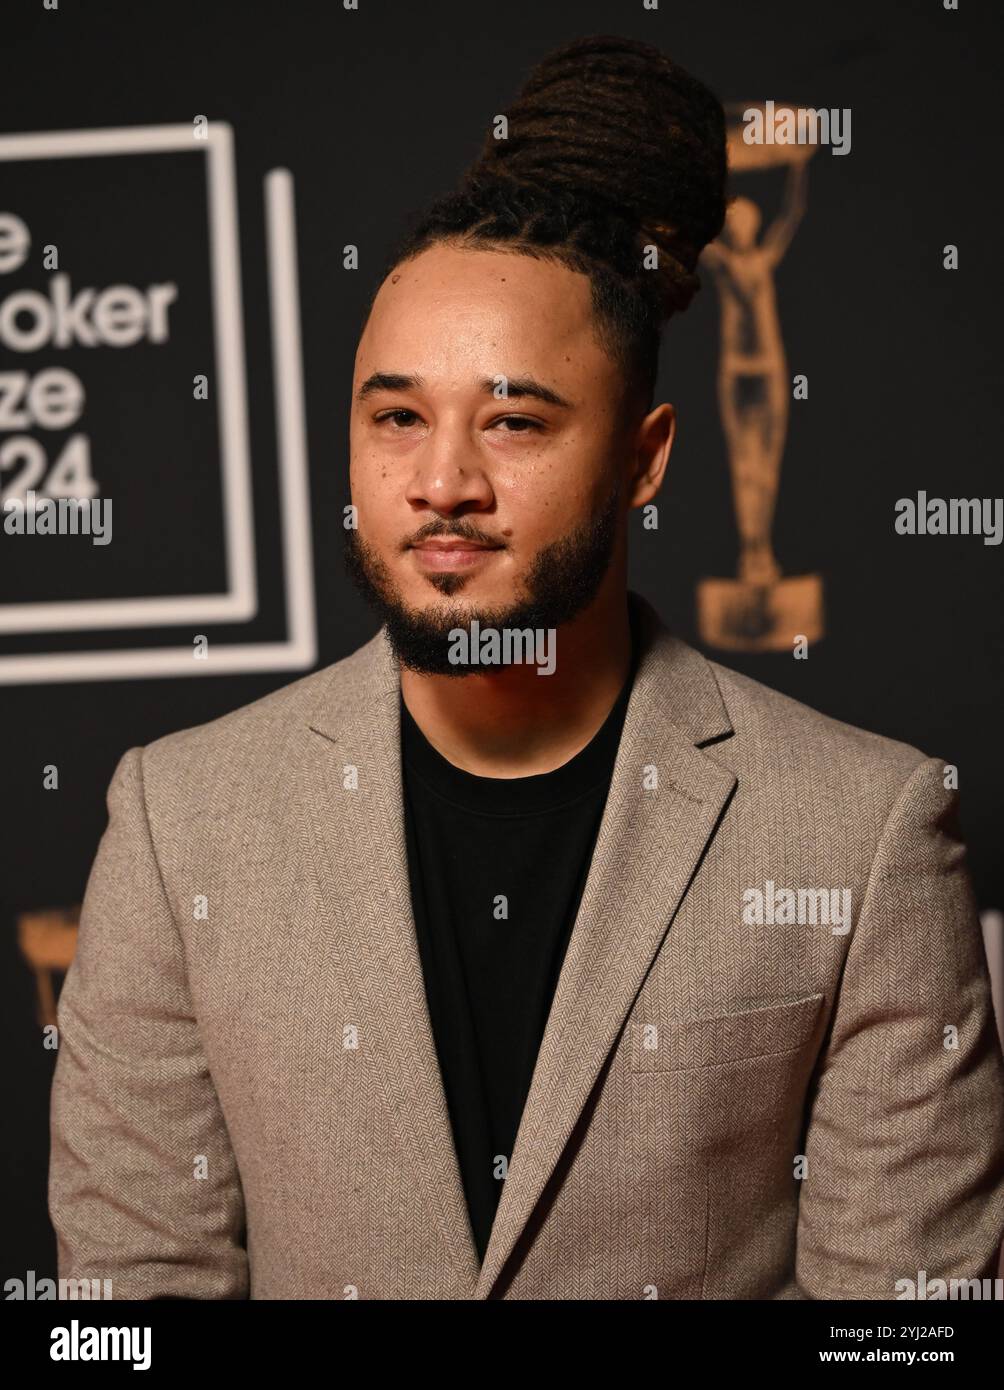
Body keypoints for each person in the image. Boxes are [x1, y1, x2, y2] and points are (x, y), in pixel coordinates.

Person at [49, 34, 1004, 1300]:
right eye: (395, 418)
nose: (442, 484)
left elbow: (906, 1326)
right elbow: (127, 1309)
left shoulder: (860, 830)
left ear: (645, 456)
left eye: (512, 421)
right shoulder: (181, 821)